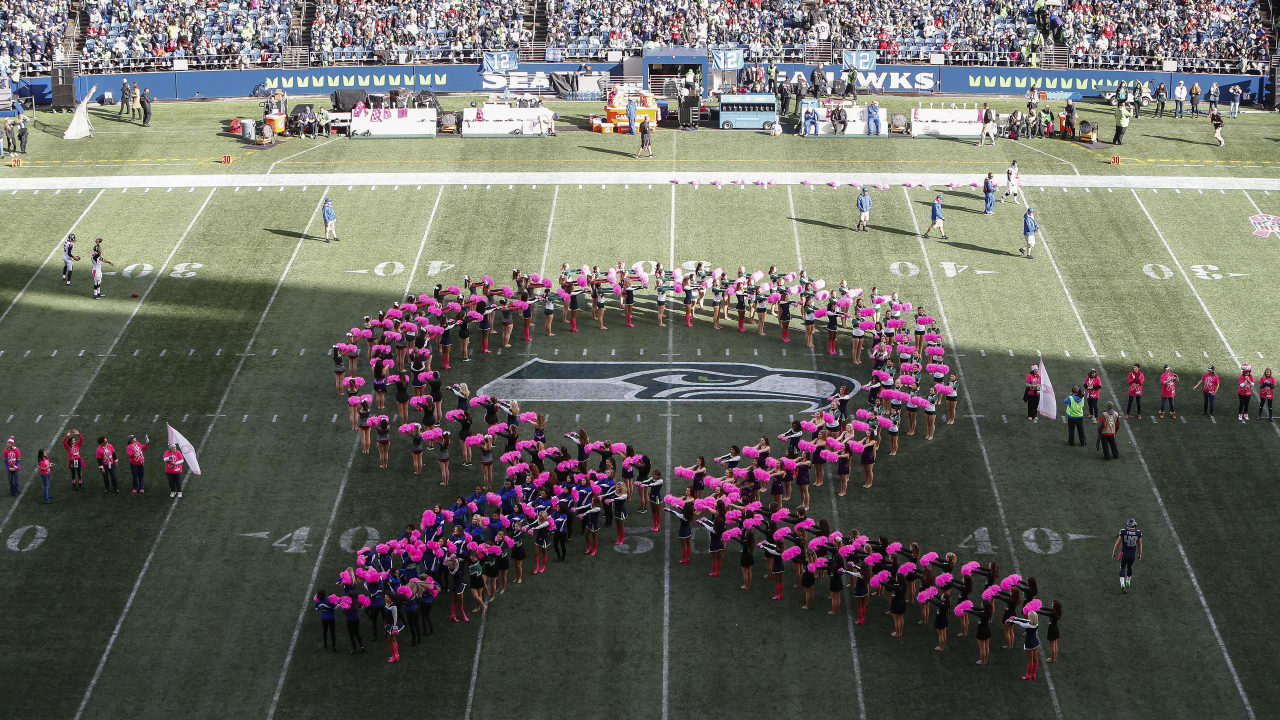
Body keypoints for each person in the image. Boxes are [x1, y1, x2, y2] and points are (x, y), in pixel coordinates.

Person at [1111, 518, 1142, 591]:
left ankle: (1122, 583)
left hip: (1124, 554)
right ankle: (1128, 581)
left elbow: (1117, 543)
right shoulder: (1138, 533)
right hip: (1132, 554)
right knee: (1130, 567)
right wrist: (1140, 554)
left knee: (1122, 568)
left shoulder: (1123, 532)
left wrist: (1114, 552)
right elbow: (1140, 545)